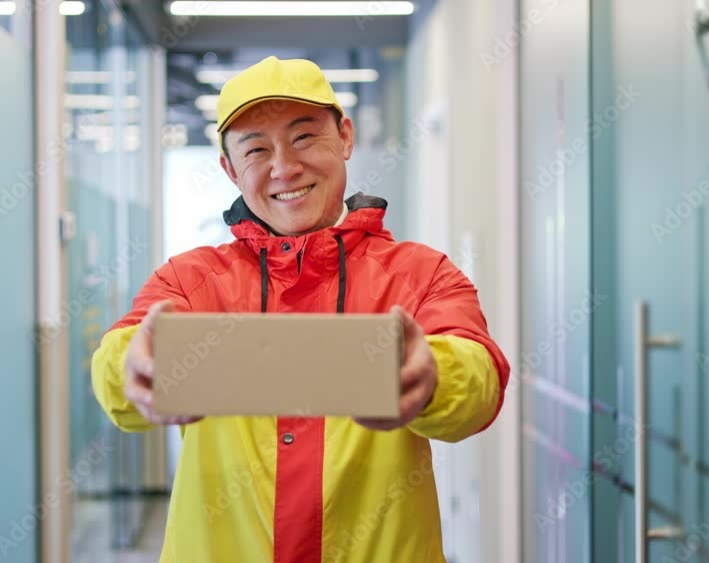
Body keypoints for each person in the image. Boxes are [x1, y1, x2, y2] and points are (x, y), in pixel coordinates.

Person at [91, 56, 510, 563]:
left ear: (346, 137)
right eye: (256, 149)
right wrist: (131, 364)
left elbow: (479, 380)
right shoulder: (191, 281)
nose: (284, 167)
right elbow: (121, 362)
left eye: (305, 137)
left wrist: (435, 377)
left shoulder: (421, 275)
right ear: (229, 169)